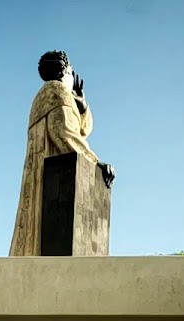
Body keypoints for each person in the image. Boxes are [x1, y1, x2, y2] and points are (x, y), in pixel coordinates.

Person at [9, 50, 115, 256]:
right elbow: (63, 132)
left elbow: (82, 129)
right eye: (71, 72)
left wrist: (82, 105)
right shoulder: (56, 91)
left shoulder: (44, 95)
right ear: (66, 70)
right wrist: (95, 163)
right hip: (56, 176)